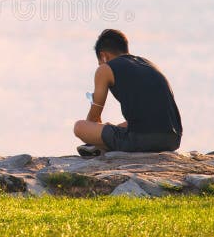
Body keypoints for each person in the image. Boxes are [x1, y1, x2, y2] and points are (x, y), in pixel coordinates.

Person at [73, 29, 182, 157]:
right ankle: (104, 146)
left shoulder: (105, 69)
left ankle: (100, 147)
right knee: (122, 126)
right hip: (173, 139)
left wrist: (94, 130)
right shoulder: (149, 64)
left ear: (103, 56)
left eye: (100, 62)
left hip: (142, 140)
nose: (100, 65)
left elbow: (93, 119)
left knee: (80, 127)